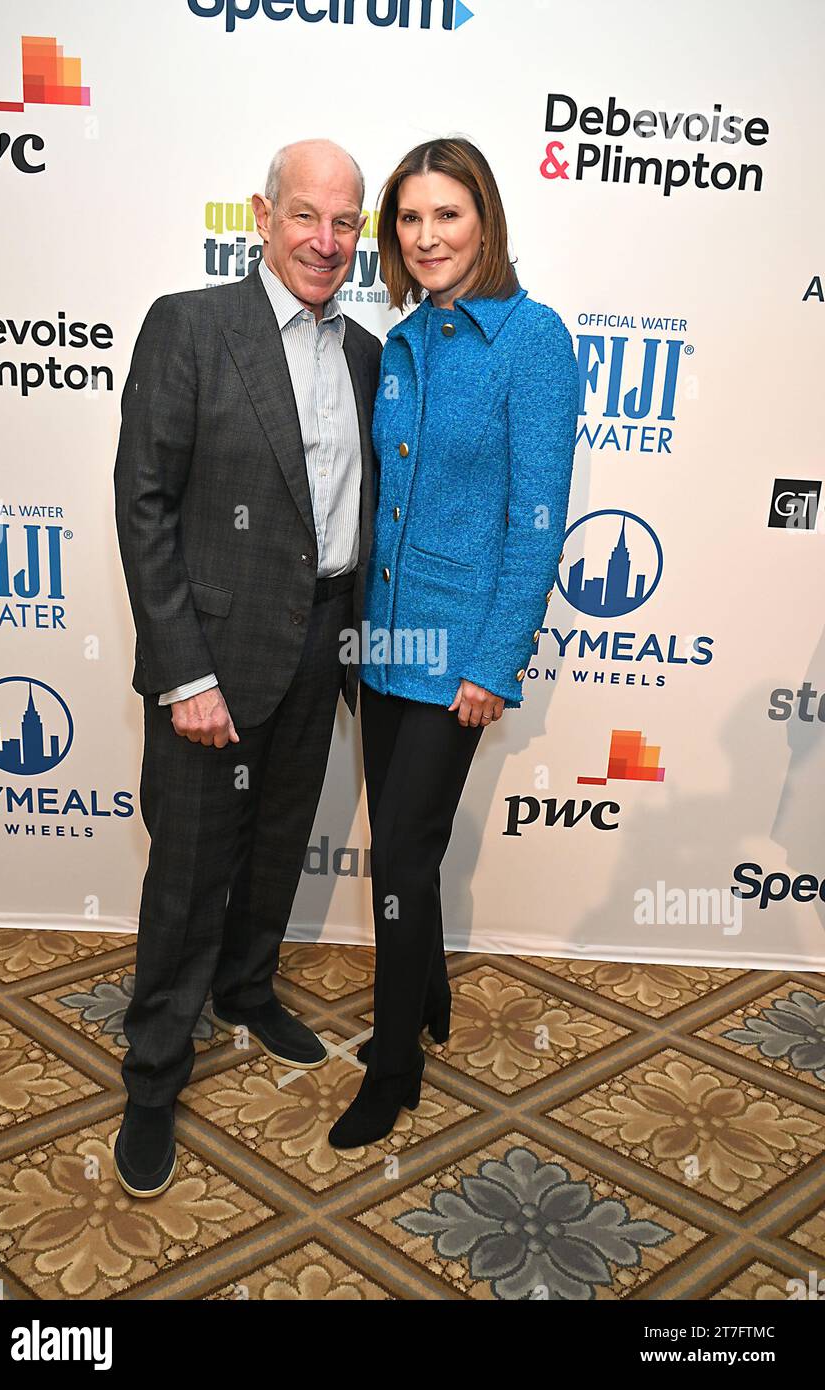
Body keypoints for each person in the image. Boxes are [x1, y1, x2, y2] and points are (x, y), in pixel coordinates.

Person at [113, 139, 381, 1197]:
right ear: (263, 216)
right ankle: (151, 1075)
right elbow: (144, 505)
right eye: (307, 216)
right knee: (186, 874)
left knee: (278, 839)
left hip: (321, 638)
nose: (326, 241)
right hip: (214, 656)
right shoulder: (190, 325)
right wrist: (185, 673)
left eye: (346, 222)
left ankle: (248, 987)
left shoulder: (363, 351)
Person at [328, 137, 579, 1149]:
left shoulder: (532, 338)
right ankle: (427, 992)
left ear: (487, 221)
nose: (427, 237)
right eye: (410, 219)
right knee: (408, 847)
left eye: (448, 215)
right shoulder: (404, 341)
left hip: (457, 652)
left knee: (395, 860)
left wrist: (495, 658)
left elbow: (536, 514)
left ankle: (394, 1066)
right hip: (380, 644)